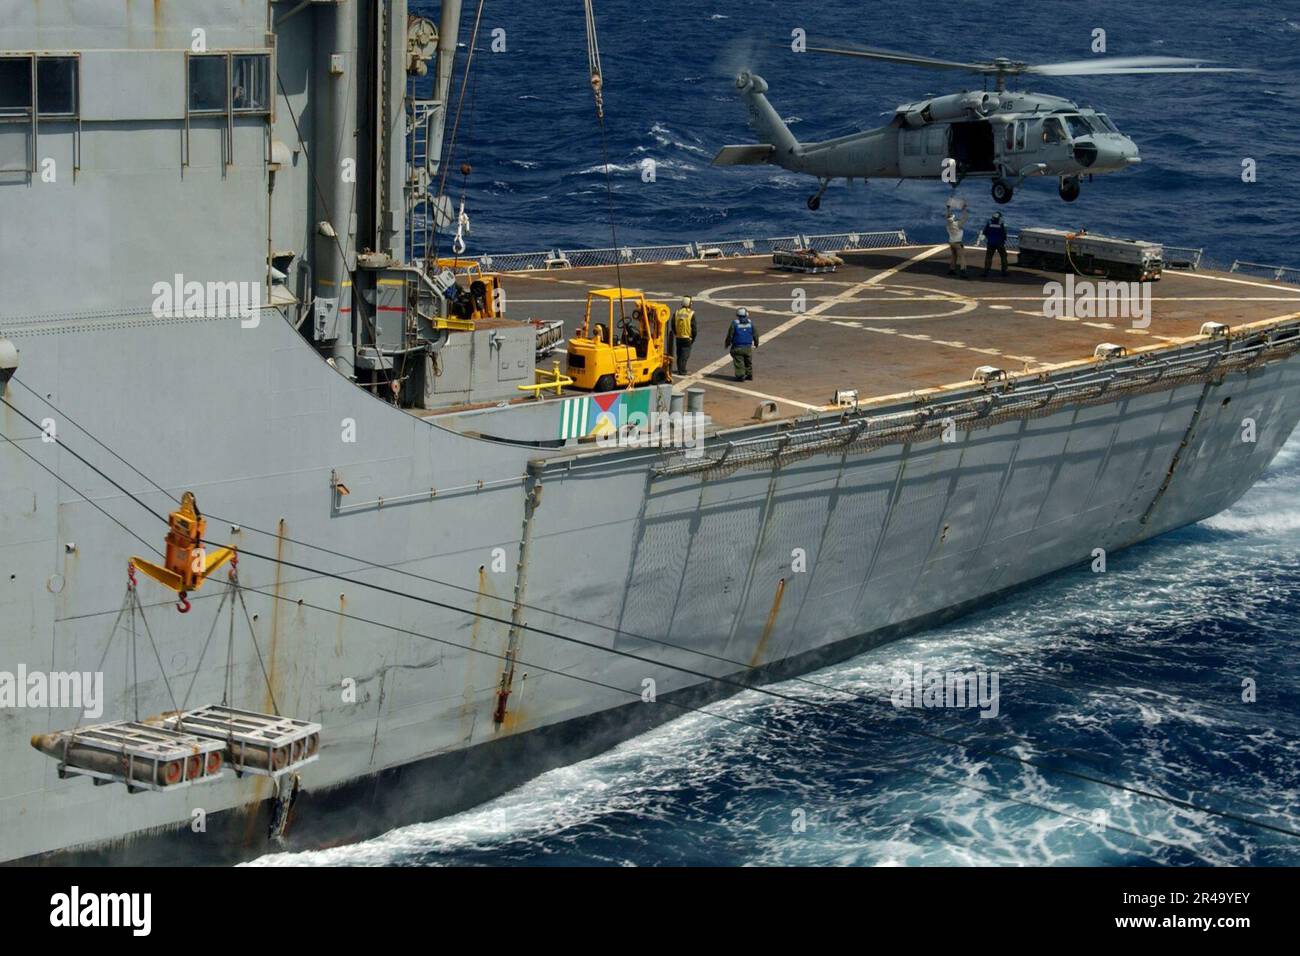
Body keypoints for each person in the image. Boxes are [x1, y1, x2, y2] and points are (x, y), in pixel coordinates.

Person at [724, 307, 759, 381]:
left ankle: (740, 376)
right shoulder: (750, 323)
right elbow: (755, 334)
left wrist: (727, 344)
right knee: (748, 361)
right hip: (748, 347)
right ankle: (749, 375)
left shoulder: (735, 323)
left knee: (739, 361)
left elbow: (730, 335)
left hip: (737, 347)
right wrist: (756, 343)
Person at [672, 296, 697, 374]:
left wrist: (676, 333)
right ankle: (682, 371)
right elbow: (694, 328)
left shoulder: (677, 312)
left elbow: (673, 325)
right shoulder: (691, 313)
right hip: (687, 338)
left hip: (678, 337)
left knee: (679, 354)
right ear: (689, 304)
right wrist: (693, 337)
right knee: (685, 355)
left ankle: (680, 369)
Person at [945, 202, 969, 279]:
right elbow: (965, 217)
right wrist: (964, 209)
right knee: (962, 257)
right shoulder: (957, 224)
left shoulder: (948, 225)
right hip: (958, 243)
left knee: (954, 256)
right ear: (953, 218)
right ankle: (963, 271)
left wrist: (948, 208)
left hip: (951, 243)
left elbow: (948, 216)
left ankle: (951, 269)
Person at [982, 211, 1009, 277]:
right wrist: (1003, 239)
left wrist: (989, 237)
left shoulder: (989, 223)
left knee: (989, 257)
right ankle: (1004, 271)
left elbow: (984, 232)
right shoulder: (1001, 224)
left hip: (990, 243)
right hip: (1000, 243)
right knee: (1003, 256)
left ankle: (986, 271)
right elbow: (1004, 234)